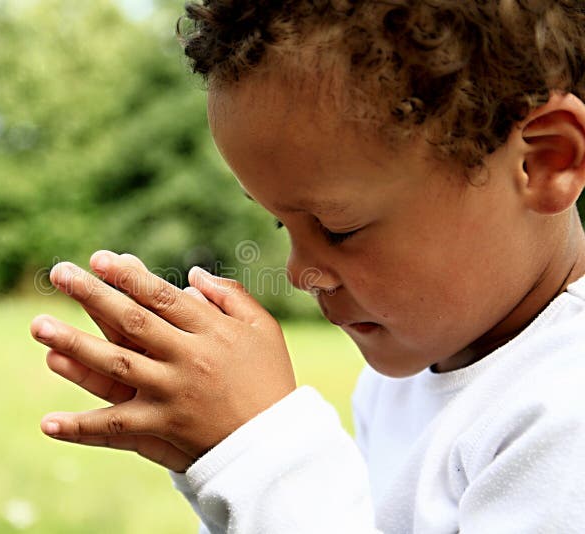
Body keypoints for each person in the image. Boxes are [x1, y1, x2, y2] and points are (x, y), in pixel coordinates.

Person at [30, 1, 585, 531]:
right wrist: (220, 467)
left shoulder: (566, 410)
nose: (299, 273)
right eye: (280, 223)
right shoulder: (418, 369)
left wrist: (263, 457)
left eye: (339, 227)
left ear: (545, 161)